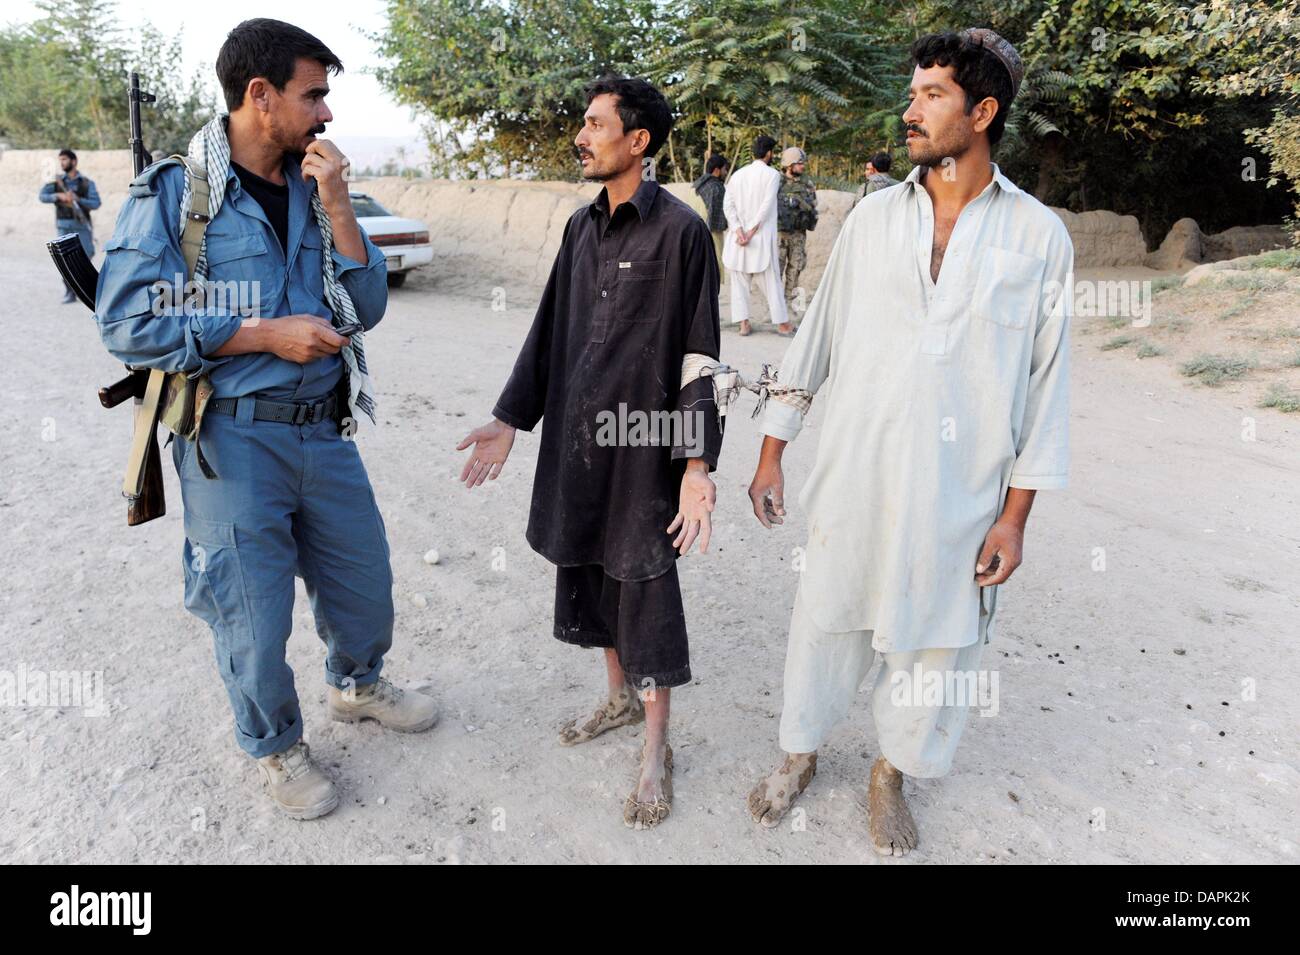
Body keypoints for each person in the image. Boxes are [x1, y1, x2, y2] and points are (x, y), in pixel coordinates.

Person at [94, 18, 437, 820]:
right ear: (261, 95)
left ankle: (356, 683)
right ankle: (276, 745)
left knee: (366, 588)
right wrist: (255, 333)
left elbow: (367, 307)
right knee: (250, 614)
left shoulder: (316, 187)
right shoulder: (182, 193)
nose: (325, 114)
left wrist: (340, 202)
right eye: (313, 94)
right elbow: (126, 320)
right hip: (233, 437)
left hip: (325, 427)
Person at [745, 28, 1073, 856]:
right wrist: (773, 448)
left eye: (933, 95)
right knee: (825, 616)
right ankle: (798, 752)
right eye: (913, 91)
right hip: (855, 471)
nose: (911, 109)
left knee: (934, 641)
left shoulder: (1038, 239)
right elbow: (815, 335)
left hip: (961, 493)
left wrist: (1015, 517)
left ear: (984, 111)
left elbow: (1047, 386)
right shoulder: (872, 218)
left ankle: (891, 772)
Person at [458, 74, 722, 831]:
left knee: (643, 580)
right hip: (579, 439)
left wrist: (697, 466)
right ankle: (614, 696)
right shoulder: (580, 228)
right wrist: (512, 417)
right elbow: (548, 329)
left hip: (646, 447)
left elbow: (702, 354)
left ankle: (658, 744)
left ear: (637, 141)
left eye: (595, 123)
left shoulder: (682, 233)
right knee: (589, 565)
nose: (581, 135)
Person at [723, 135, 791, 336]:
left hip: (738, 241)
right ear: (769, 153)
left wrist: (738, 231)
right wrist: (750, 233)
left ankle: (744, 324)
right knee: (772, 282)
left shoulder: (737, 175)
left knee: (739, 284)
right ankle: (782, 324)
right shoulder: (772, 175)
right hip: (759, 240)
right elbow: (766, 206)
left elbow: (728, 205)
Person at [39, 148, 101, 303]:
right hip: (64, 226)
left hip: (82, 226)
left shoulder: (86, 183)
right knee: (65, 260)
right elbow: (42, 196)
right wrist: (58, 196)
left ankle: (86, 290)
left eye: (65, 159)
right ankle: (69, 292)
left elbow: (96, 203)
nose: (61, 163)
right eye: (60, 160)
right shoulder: (56, 182)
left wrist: (77, 199)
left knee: (87, 255)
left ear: (74, 161)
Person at [776, 146, 818, 318]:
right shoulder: (777, 183)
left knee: (795, 270)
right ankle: (776, 309)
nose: (803, 166)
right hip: (779, 233)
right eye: (799, 163)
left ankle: (792, 308)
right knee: (776, 271)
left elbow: (813, 207)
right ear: (789, 165)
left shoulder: (807, 185)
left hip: (798, 235)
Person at [693, 153, 730, 282]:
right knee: (716, 263)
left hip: (697, 230)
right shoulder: (716, 187)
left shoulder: (699, 184)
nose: (726, 172)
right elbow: (715, 216)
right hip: (712, 232)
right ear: (717, 170)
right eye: (725, 169)